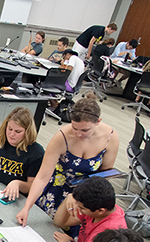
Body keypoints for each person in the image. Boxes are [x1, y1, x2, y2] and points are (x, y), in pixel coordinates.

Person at [17, 94, 119, 223]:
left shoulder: (110, 137)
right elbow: (43, 176)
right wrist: (26, 207)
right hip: (56, 191)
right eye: (74, 128)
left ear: (98, 122)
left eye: (85, 130)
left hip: (83, 200)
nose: (78, 134)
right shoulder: (62, 137)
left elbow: (104, 176)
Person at [52, 176, 127, 242]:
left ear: (100, 211)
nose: (79, 209)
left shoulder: (108, 231)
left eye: (81, 208)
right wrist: (69, 198)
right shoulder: (99, 207)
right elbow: (59, 222)